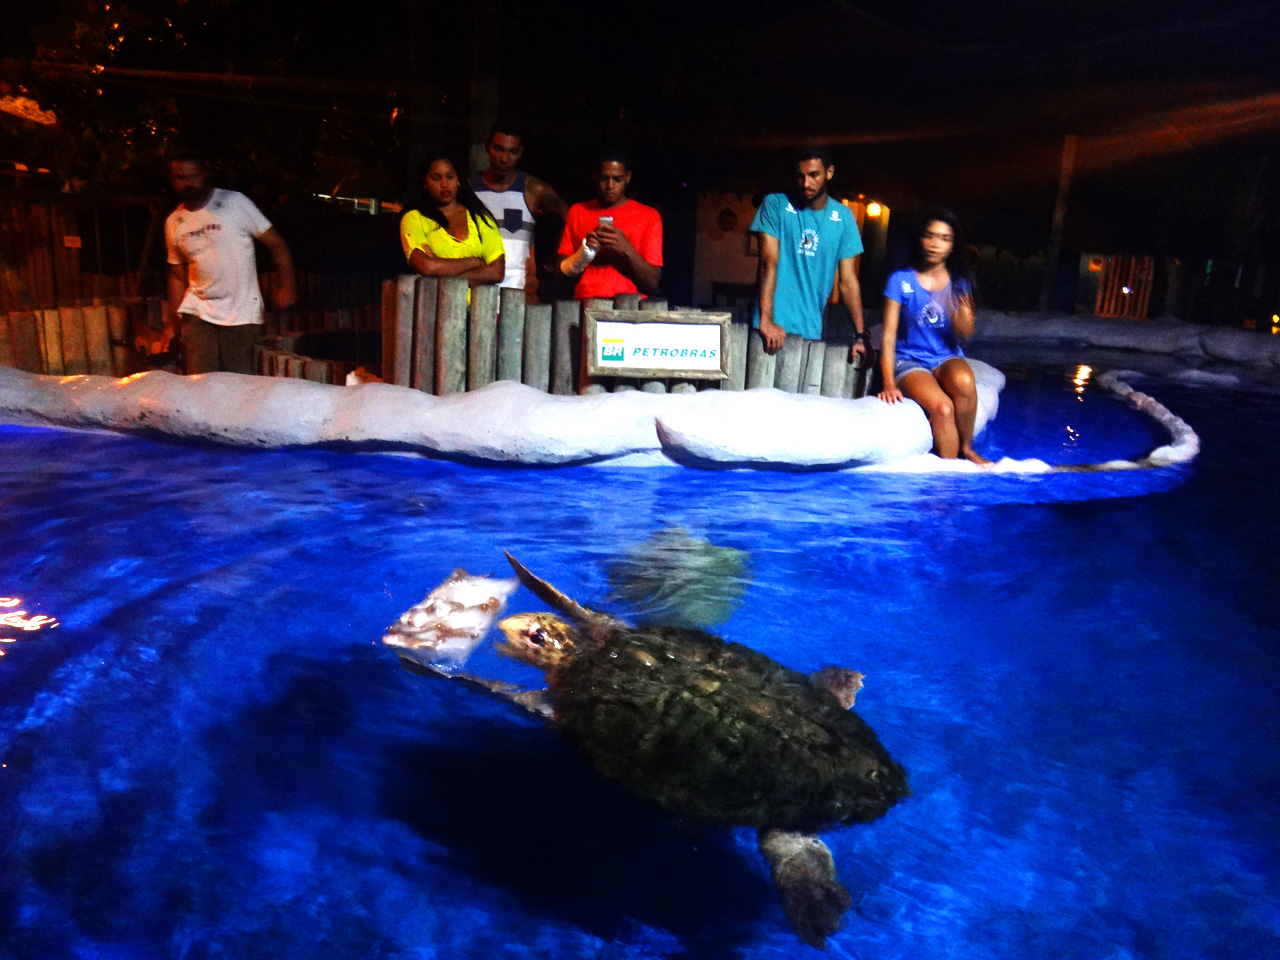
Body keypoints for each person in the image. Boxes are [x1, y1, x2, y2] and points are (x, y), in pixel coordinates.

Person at [163, 149, 297, 375]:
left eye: (194, 175)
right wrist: (173, 322)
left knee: (238, 386)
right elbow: (177, 275)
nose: (188, 183)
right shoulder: (174, 222)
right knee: (201, 383)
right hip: (199, 313)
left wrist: (288, 286)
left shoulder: (235, 203)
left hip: (241, 312)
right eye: (181, 178)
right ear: (172, 179)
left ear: (205, 172)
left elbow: (276, 243)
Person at [877, 209, 990, 465]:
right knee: (943, 409)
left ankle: (967, 448)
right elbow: (888, 337)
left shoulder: (959, 282)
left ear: (952, 246)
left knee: (964, 381)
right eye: (930, 236)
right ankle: (948, 477)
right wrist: (888, 383)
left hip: (945, 358)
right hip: (909, 362)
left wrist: (959, 305)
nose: (935, 243)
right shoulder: (900, 280)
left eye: (944, 238)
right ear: (921, 239)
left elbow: (966, 333)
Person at [752, 145, 868, 360]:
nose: (806, 183)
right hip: (768, 331)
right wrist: (766, 320)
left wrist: (860, 335)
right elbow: (769, 262)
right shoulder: (775, 204)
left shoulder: (843, 217)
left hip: (810, 331)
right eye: (801, 176)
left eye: (813, 175)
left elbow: (848, 281)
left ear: (829, 172)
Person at [469, 124, 567, 292]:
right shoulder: (469, 189)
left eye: (512, 152)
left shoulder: (534, 189)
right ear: (487, 147)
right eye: (498, 149)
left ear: (520, 153)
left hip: (517, 290)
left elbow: (572, 220)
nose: (504, 158)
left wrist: (551, 261)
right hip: (474, 290)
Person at [558, 148, 662, 300]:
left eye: (617, 179)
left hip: (630, 307)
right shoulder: (578, 211)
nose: (610, 186)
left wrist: (626, 248)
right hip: (586, 303)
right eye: (603, 178)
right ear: (594, 176)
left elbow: (653, 283)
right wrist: (584, 254)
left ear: (628, 177)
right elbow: (560, 274)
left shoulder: (649, 216)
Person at [400, 150, 505, 285]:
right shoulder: (414, 219)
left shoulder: (480, 218)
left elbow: (496, 273)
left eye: (450, 177)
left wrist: (441, 271)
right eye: (436, 178)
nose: (444, 184)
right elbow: (426, 266)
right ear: (424, 182)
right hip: (434, 304)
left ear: (458, 180)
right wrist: (476, 262)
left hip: (479, 304)